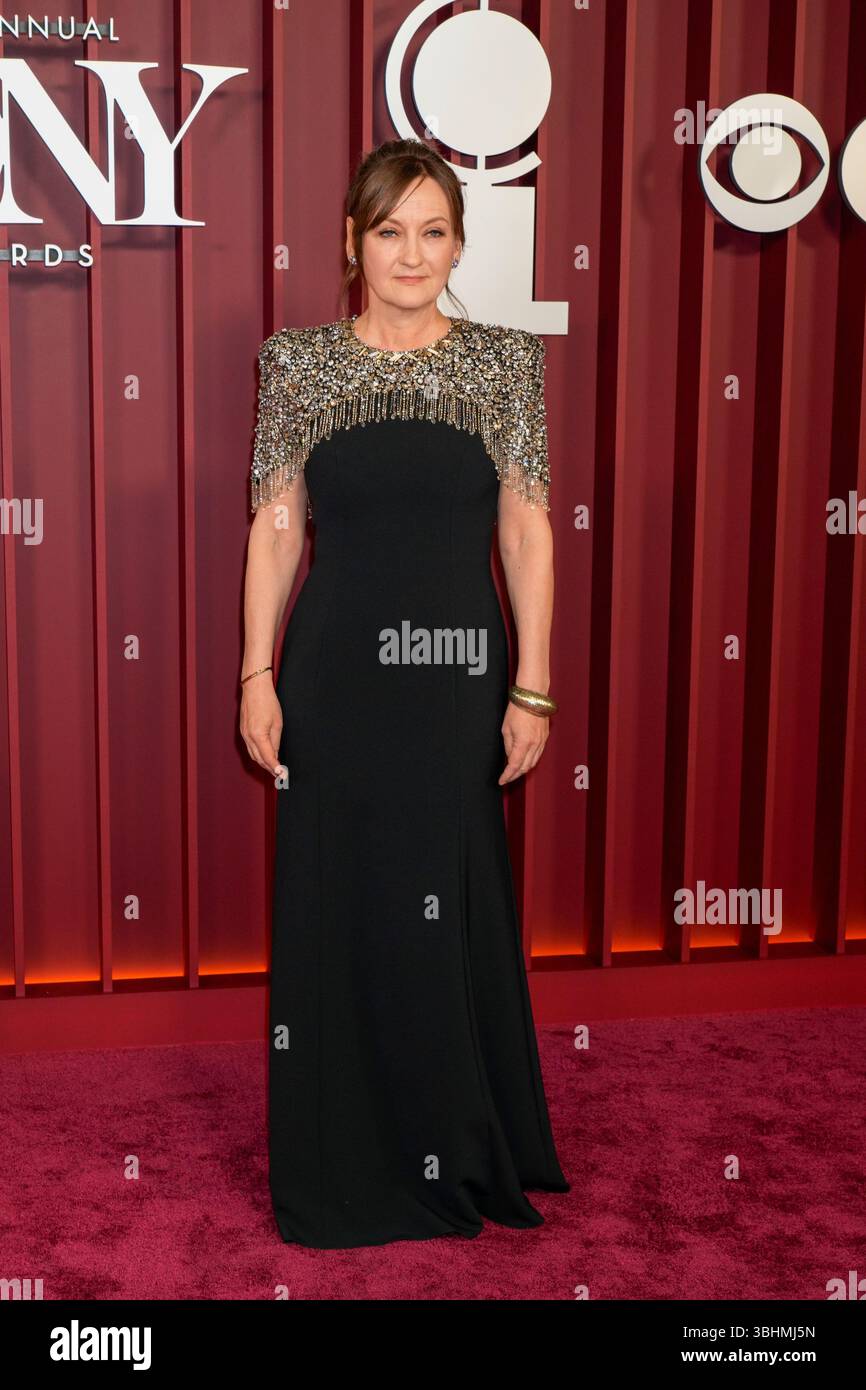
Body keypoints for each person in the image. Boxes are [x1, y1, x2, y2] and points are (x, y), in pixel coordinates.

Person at [240, 137, 569, 1249]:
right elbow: (276, 529)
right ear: (352, 241)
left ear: (457, 243)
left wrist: (530, 688)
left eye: (433, 231)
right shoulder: (295, 365)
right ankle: (349, 1146)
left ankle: (456, 1136)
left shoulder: (501, 364)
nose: (412, 253)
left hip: (452, 677)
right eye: (390, 231)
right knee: (342, 893)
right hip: (336, 673)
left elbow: (526, 530)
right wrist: (256, 670)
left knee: (443, 887)